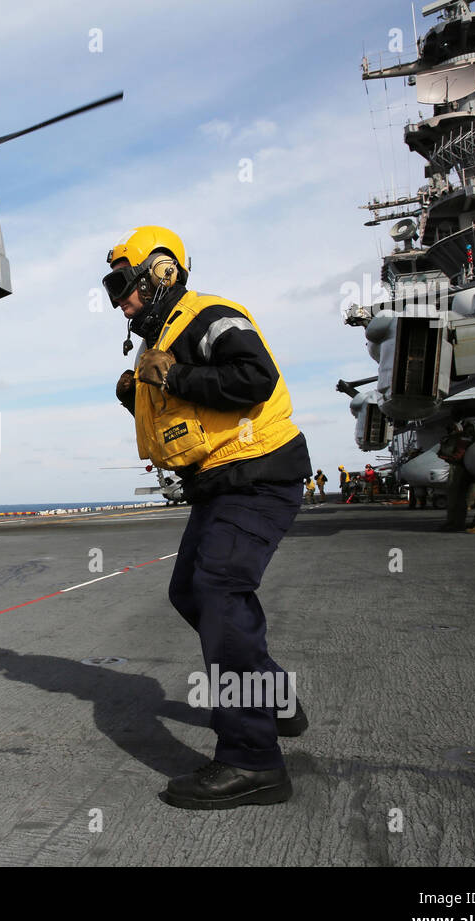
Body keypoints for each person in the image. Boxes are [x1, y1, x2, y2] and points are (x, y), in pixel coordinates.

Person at [107, 225, 311, 810]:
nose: (118, 300)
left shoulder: (208, 314)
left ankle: (253, 762)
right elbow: (188, 411)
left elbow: (254, 378)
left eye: (123, 285)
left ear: (161, 273)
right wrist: (137, 394)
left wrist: (172, 375)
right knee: (190, 593)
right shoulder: (163, 337)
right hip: (220, 483)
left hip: (258, 472)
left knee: (219, 591)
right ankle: (272, 695)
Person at [435, 420, 474, 531]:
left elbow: (455, 455)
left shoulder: (459, 439)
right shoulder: (457, 439)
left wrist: (448, 457)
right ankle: (454, 521)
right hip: (458, 467)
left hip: (458, 468)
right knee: (456, 497)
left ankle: (456, 522)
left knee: (456, 497)